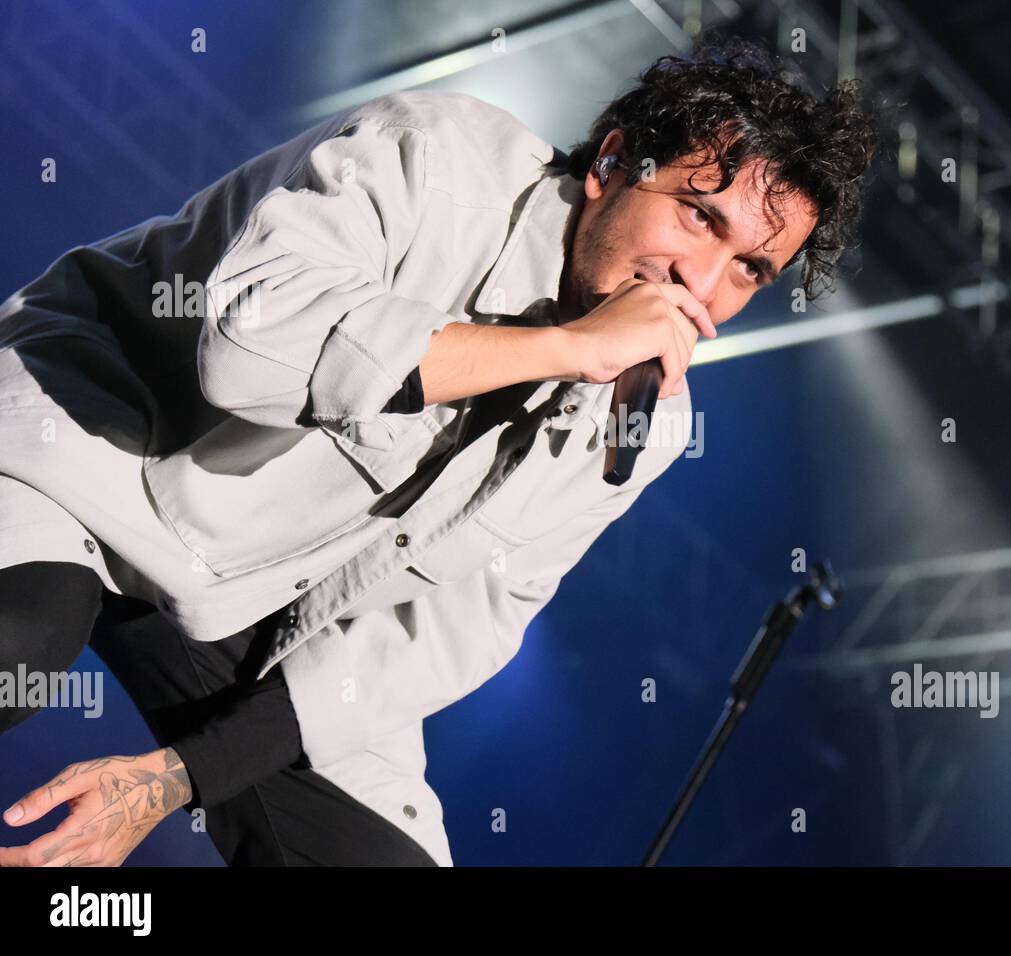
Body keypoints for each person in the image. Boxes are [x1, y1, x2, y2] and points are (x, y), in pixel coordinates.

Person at [0, 35, 877, 866]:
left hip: (259, 598)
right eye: (696, 216)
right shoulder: (438, 160)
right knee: (18, 636)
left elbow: (441, 633)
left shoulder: (649, 426)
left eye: (749, 271)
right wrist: (564, 350)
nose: (704, 282)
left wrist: (177, 777)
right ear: (612, 164)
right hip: (88, 440)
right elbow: (247, 350)